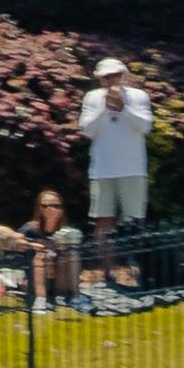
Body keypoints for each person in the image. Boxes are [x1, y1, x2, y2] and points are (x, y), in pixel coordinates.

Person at [79, 57, 153, 286]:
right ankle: (108, 272)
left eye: (115, 75)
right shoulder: (92, 98)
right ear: (100, 79)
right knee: (104, 223)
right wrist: (104, 109)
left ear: (124, 75)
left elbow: (145, 126)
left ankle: (139, 269)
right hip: (102, 169)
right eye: (106, 76)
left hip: (132, 169)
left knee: (135, 221)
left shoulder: (139, 96)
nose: (111, 80)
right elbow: (86, 130)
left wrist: (124, 109)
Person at [23, 189, 83, 310]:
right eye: (45, 206)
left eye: (55, 206)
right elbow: (18, 246)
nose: (50, 209)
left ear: (61, 211)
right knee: (41, 256)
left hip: (60, 278)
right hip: (37, 278)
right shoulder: (29, 229)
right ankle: (41, 300)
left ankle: (75, 296)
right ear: (39, 209)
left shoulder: (66, 232)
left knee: (72, 254)